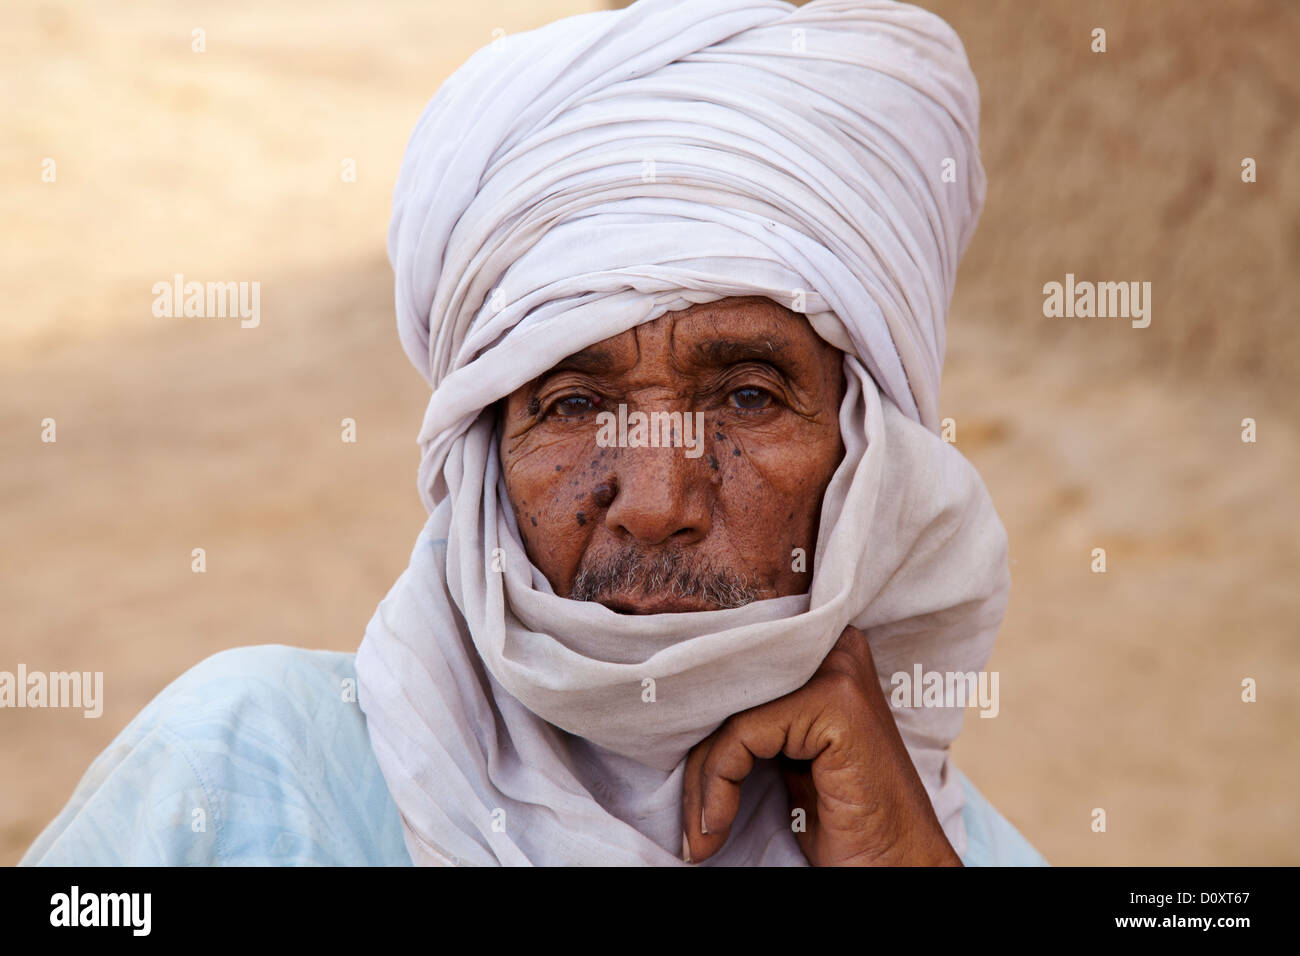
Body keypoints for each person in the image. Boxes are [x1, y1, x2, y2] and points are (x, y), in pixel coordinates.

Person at [23, 0, 1047, 866]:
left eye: (745, 398)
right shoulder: (243, 780)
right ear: (482, 455)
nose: (652, 504)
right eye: (571, 404)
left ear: (870, 458)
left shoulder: (939, 844)